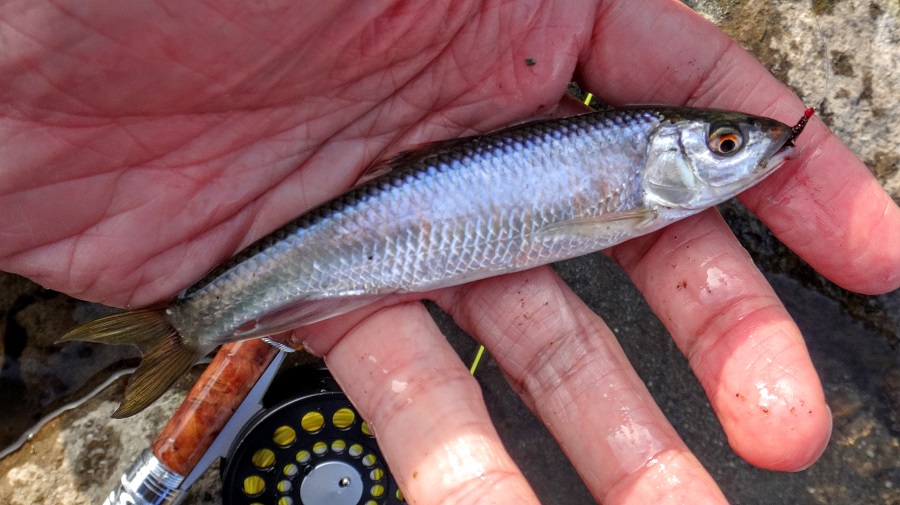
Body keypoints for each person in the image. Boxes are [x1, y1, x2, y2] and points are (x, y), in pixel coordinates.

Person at [1, 1, 898, 503]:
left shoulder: (632, 173)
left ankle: (191, 324)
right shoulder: (625, 173)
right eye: (724, 150)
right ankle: (189, 324)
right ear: (660, 156)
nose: (737, 159)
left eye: (726, 149)